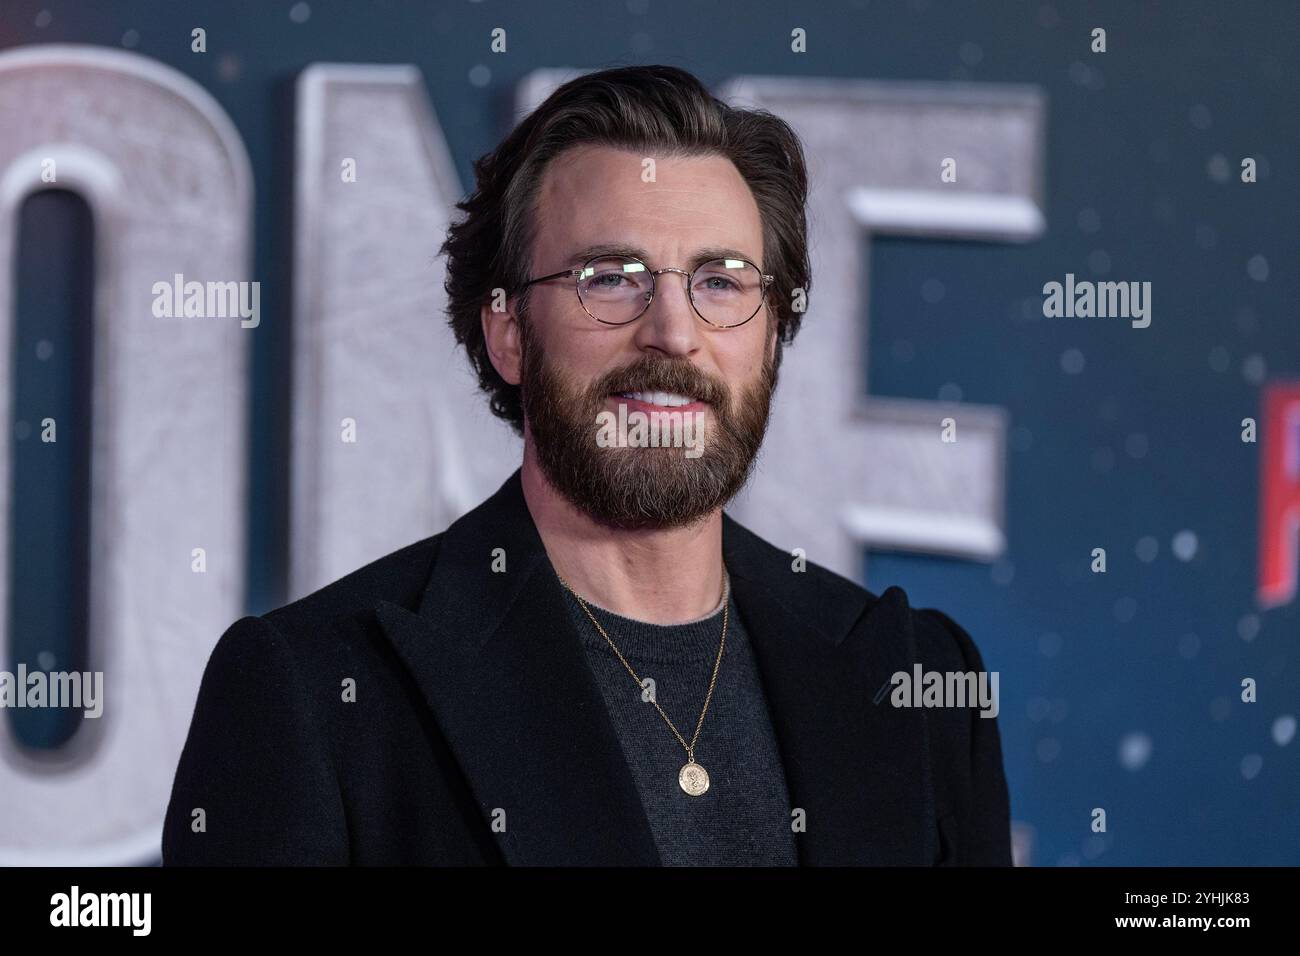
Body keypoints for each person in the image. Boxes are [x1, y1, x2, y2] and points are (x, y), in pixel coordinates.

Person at [162, 63, 1012, 866]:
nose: (674, 333)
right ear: (505, 332)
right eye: (611, 278)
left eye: (720, 282)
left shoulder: (919, 680)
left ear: (772, 332)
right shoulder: (312, 694)